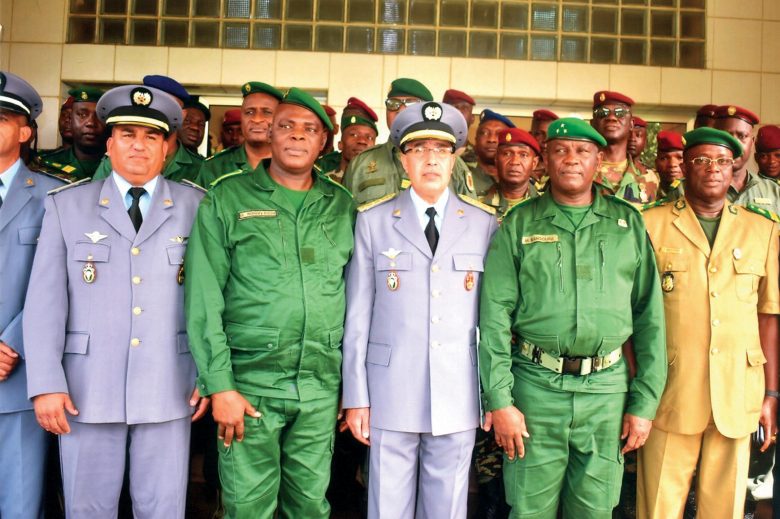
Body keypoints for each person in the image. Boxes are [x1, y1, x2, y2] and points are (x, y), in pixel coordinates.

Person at [23, 83, 208, 518]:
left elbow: (210, 300)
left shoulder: (197, 206)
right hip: (86, 388)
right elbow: (45, 303)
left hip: (170, 384)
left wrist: (208, 372)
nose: (139, 145)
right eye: (127, 134)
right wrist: (46, 383)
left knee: (163, 509)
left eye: (151, 136)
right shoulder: (67, 205)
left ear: (167, 148)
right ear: (109, 145)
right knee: (88, 508)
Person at [479, 117, 667, 518]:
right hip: (535, 390)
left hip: (606, 393)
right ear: (545, 161)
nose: (571, 159)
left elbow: (649, 317)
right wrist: (500, 400)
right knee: (529, 510)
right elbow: (493, 316)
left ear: (598, 160)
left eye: (582, 151)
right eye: (561, 151)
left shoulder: (627, 223)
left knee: (594, 510)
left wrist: (645, 403)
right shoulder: (519, 223)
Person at [184, 87, 355, 519]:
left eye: (309, 129)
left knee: (310, 507)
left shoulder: (341, 205)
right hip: (249, 385)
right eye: (286, 126)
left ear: (324, 142)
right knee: (248, 508)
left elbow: (358, 300)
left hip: (319, 386)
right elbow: (203, 299)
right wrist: (220, 385)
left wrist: (351, 386)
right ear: (269, 134)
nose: (297, 136)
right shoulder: (227, 198)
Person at [342, 100, 498, 519]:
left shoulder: (483, 223)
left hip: (458, 389)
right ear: (403, 160)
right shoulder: (373, 221)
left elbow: (492, 319)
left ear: (454, 159)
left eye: (441, 150)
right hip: (389, 389)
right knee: (386, 507)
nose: (431, 159)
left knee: (447, 508)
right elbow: (357, 316)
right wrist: (356, 397)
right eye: (419, 149)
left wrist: (491, 393)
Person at [638, 127, 780, 519]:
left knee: (725, 509)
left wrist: (771, 394)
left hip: (738, 389)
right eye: (701, 160)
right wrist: (637, 387)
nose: (713, 169)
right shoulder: (650, 224)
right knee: (659, 507)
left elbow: (768, 315)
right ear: (684, 167)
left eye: (722, 161)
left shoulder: (762, 229)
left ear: (735, 168)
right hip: (670, 389)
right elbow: (634, 314)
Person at [0, 71, 67, 519]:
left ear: (25, 133)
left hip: (18, 378)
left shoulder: (55, 197)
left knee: (20, 506)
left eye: (2, 119)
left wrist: (12, 343)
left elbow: (61, 284)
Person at [343, 77, 476, 204]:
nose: (400, 109)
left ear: (428, 112)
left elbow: (470, 215)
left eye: (411, 103)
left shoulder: (452, 164)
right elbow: (345, 216)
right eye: (393, 104)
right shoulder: (361, 163)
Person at [93, 75, 204, 184]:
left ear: (183, 115)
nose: (157, 113)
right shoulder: (117, 159)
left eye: (168, 107)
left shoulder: (199, 167)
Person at [197, 81, 283, 188]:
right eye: (249, 112)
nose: (257, 119)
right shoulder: (214, 166)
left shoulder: (293, 165)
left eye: (267, 112)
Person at [591, 91, 659, 204]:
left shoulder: (650, 177)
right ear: (592, 123)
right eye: (603, 113)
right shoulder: (580, 172)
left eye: (620, 112)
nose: (611, 117)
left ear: (631, 124)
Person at [713, 105, 780, 211]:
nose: (735, 144)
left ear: (752, 143)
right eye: (727, 136)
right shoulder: (692, 189)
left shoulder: (775, 192)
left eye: (742, 136)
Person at [33, 87, 106, 180]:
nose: (91, 123)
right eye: (82, 115)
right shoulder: (46, 164)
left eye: (99, 116)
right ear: (71, 121)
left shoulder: (115, 165)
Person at [480, 127, 541, 222]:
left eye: (523, 155)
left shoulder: (546, 204)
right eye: (507, 153)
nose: (514, 161)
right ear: (496, 160)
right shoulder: (477, 203)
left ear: (534, 163)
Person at [470, 109, 516, 197]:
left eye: (499, 134)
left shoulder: (520, 180)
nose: (491, 139)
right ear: (476, 140)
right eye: (484, 133)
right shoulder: (462, 175)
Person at [326, 112, 377, 184]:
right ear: (340, 144)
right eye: (354, 135)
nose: (362, 141)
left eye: (369, 137)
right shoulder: (322, 179)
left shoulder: (382, 179)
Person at [442, 88, 477, 163]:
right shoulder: (432, 152)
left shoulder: (481, 157)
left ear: (472, 118)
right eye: (453, 107)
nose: (458, 111)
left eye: (464, 107)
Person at [529, 109, 558, 190]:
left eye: (550, 134)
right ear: (531, 135)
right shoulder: (521, 168)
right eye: (539, 134)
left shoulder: (563, 169)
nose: (545, 139)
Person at [654, 130, 685, 202]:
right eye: (664, 158)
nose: (672, 164)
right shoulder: (647, 193)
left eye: (680, 158)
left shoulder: (699, 197)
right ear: (656, 164)